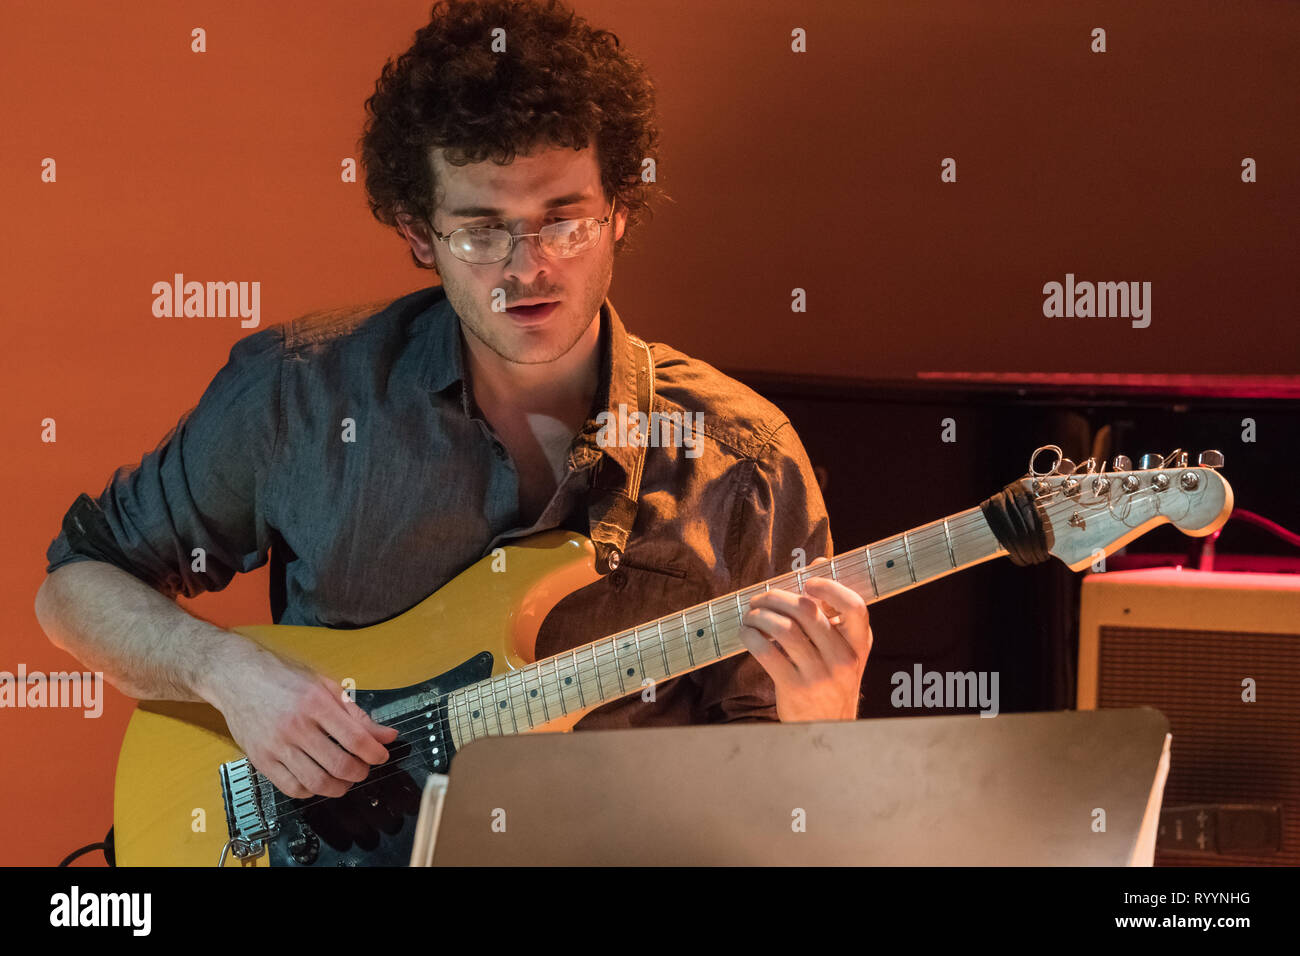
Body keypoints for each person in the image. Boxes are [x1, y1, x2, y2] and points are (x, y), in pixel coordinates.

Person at [34, 0, 871, 802]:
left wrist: (822, 725)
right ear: (415, 232)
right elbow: (78, 582)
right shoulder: (301, 394)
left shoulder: (745, 459)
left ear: (620, 211)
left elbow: (783, 808)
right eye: (480, 231)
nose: (527, 267)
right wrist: (224, 672)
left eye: (564, 222)